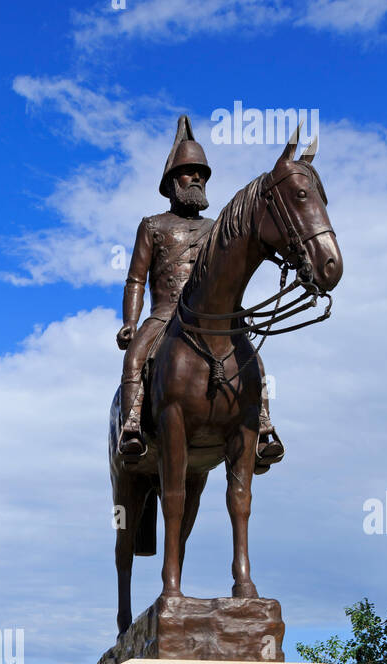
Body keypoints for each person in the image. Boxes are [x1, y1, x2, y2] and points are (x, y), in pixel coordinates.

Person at [117, 115, 284, 470]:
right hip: (165, 314)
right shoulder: (152, 226)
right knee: (134, 356)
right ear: (171, 181)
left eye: (202, 173)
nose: (197, 178)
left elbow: (230, 275)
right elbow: (135, 279)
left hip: (209, 317)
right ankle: (131, 425)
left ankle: (263, 427)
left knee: (252, 358)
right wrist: (131, 322)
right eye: (190, 171)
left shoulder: (216, 229)